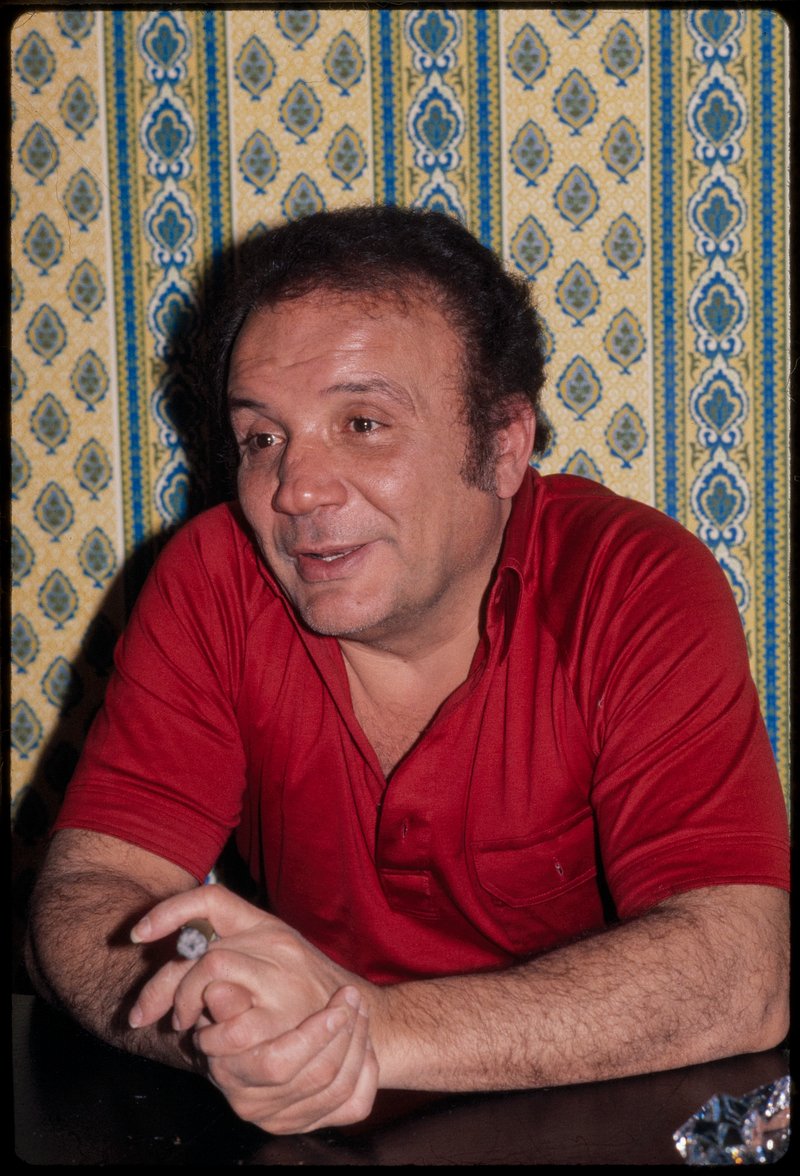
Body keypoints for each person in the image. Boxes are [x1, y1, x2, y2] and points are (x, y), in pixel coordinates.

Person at [26, 205, 789, 1137]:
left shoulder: (632, 583)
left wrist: (364, 1033)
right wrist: (230, 1023)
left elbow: (739, 973)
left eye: (363, 423)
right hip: (322, 1130)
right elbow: (87, 899)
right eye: (263, 438)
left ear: (503, 446)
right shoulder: (214, 577)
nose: (297, 488)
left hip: (600, 1119)